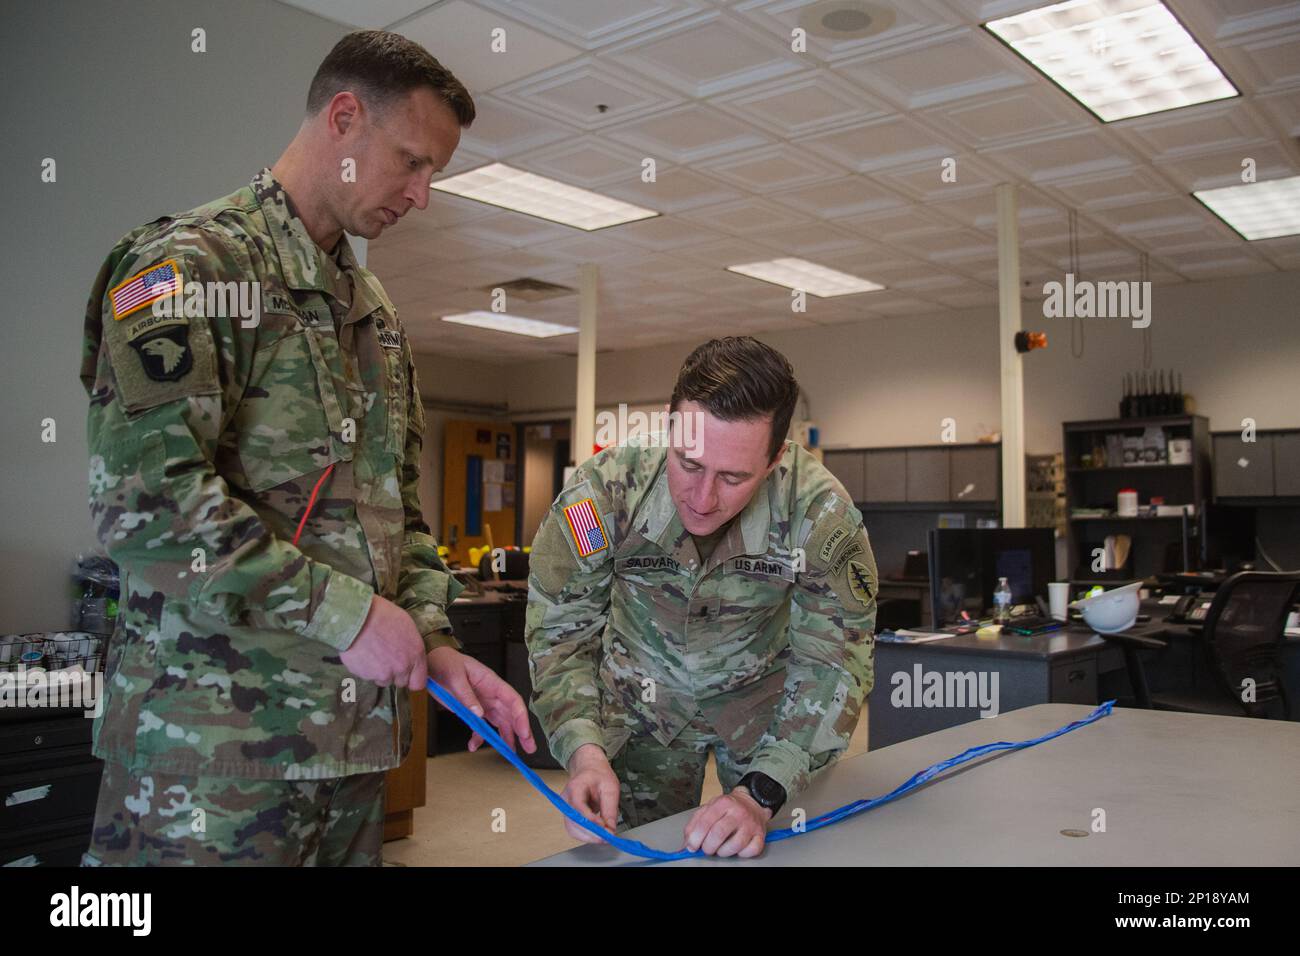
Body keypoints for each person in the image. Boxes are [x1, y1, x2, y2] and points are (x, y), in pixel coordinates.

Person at [79, 29, 533, 866]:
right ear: (345, 118)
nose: (422, 194)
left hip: (350, 756)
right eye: (411, 161)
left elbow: (400, 515)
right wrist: (350, 615)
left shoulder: (374, 315)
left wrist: (434, 642)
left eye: (435, 172)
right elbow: (147, 506)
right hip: (212, 768)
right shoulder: (188, 269)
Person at [526, 337, 877, 859]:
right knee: (634, 855)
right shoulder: (605, 493)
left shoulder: (818, 514)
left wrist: (764, 790)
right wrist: (581, 749)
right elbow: (561, 636)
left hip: (767, 714)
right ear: (670, 427)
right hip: (640, 709)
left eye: (733, 477)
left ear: (776, 457)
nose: (703, 497)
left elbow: (835, 661)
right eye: (689, 464)